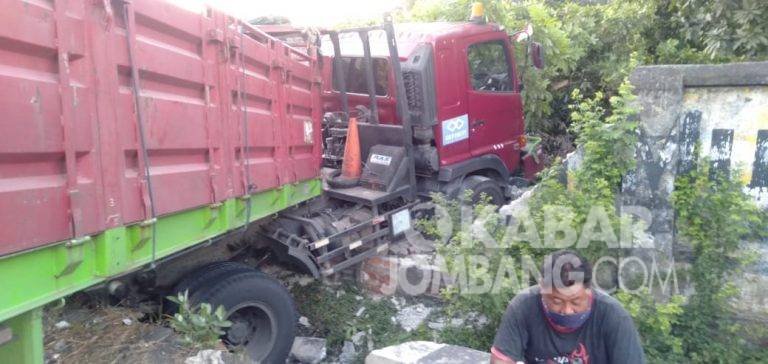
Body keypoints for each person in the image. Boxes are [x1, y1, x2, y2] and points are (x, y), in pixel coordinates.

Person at [491, 250, 645, 364]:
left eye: (576, 302)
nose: (567, 311)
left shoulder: (614, 316)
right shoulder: (523, 306)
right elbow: (501, 360)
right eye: (556, 302)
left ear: (588, 289)